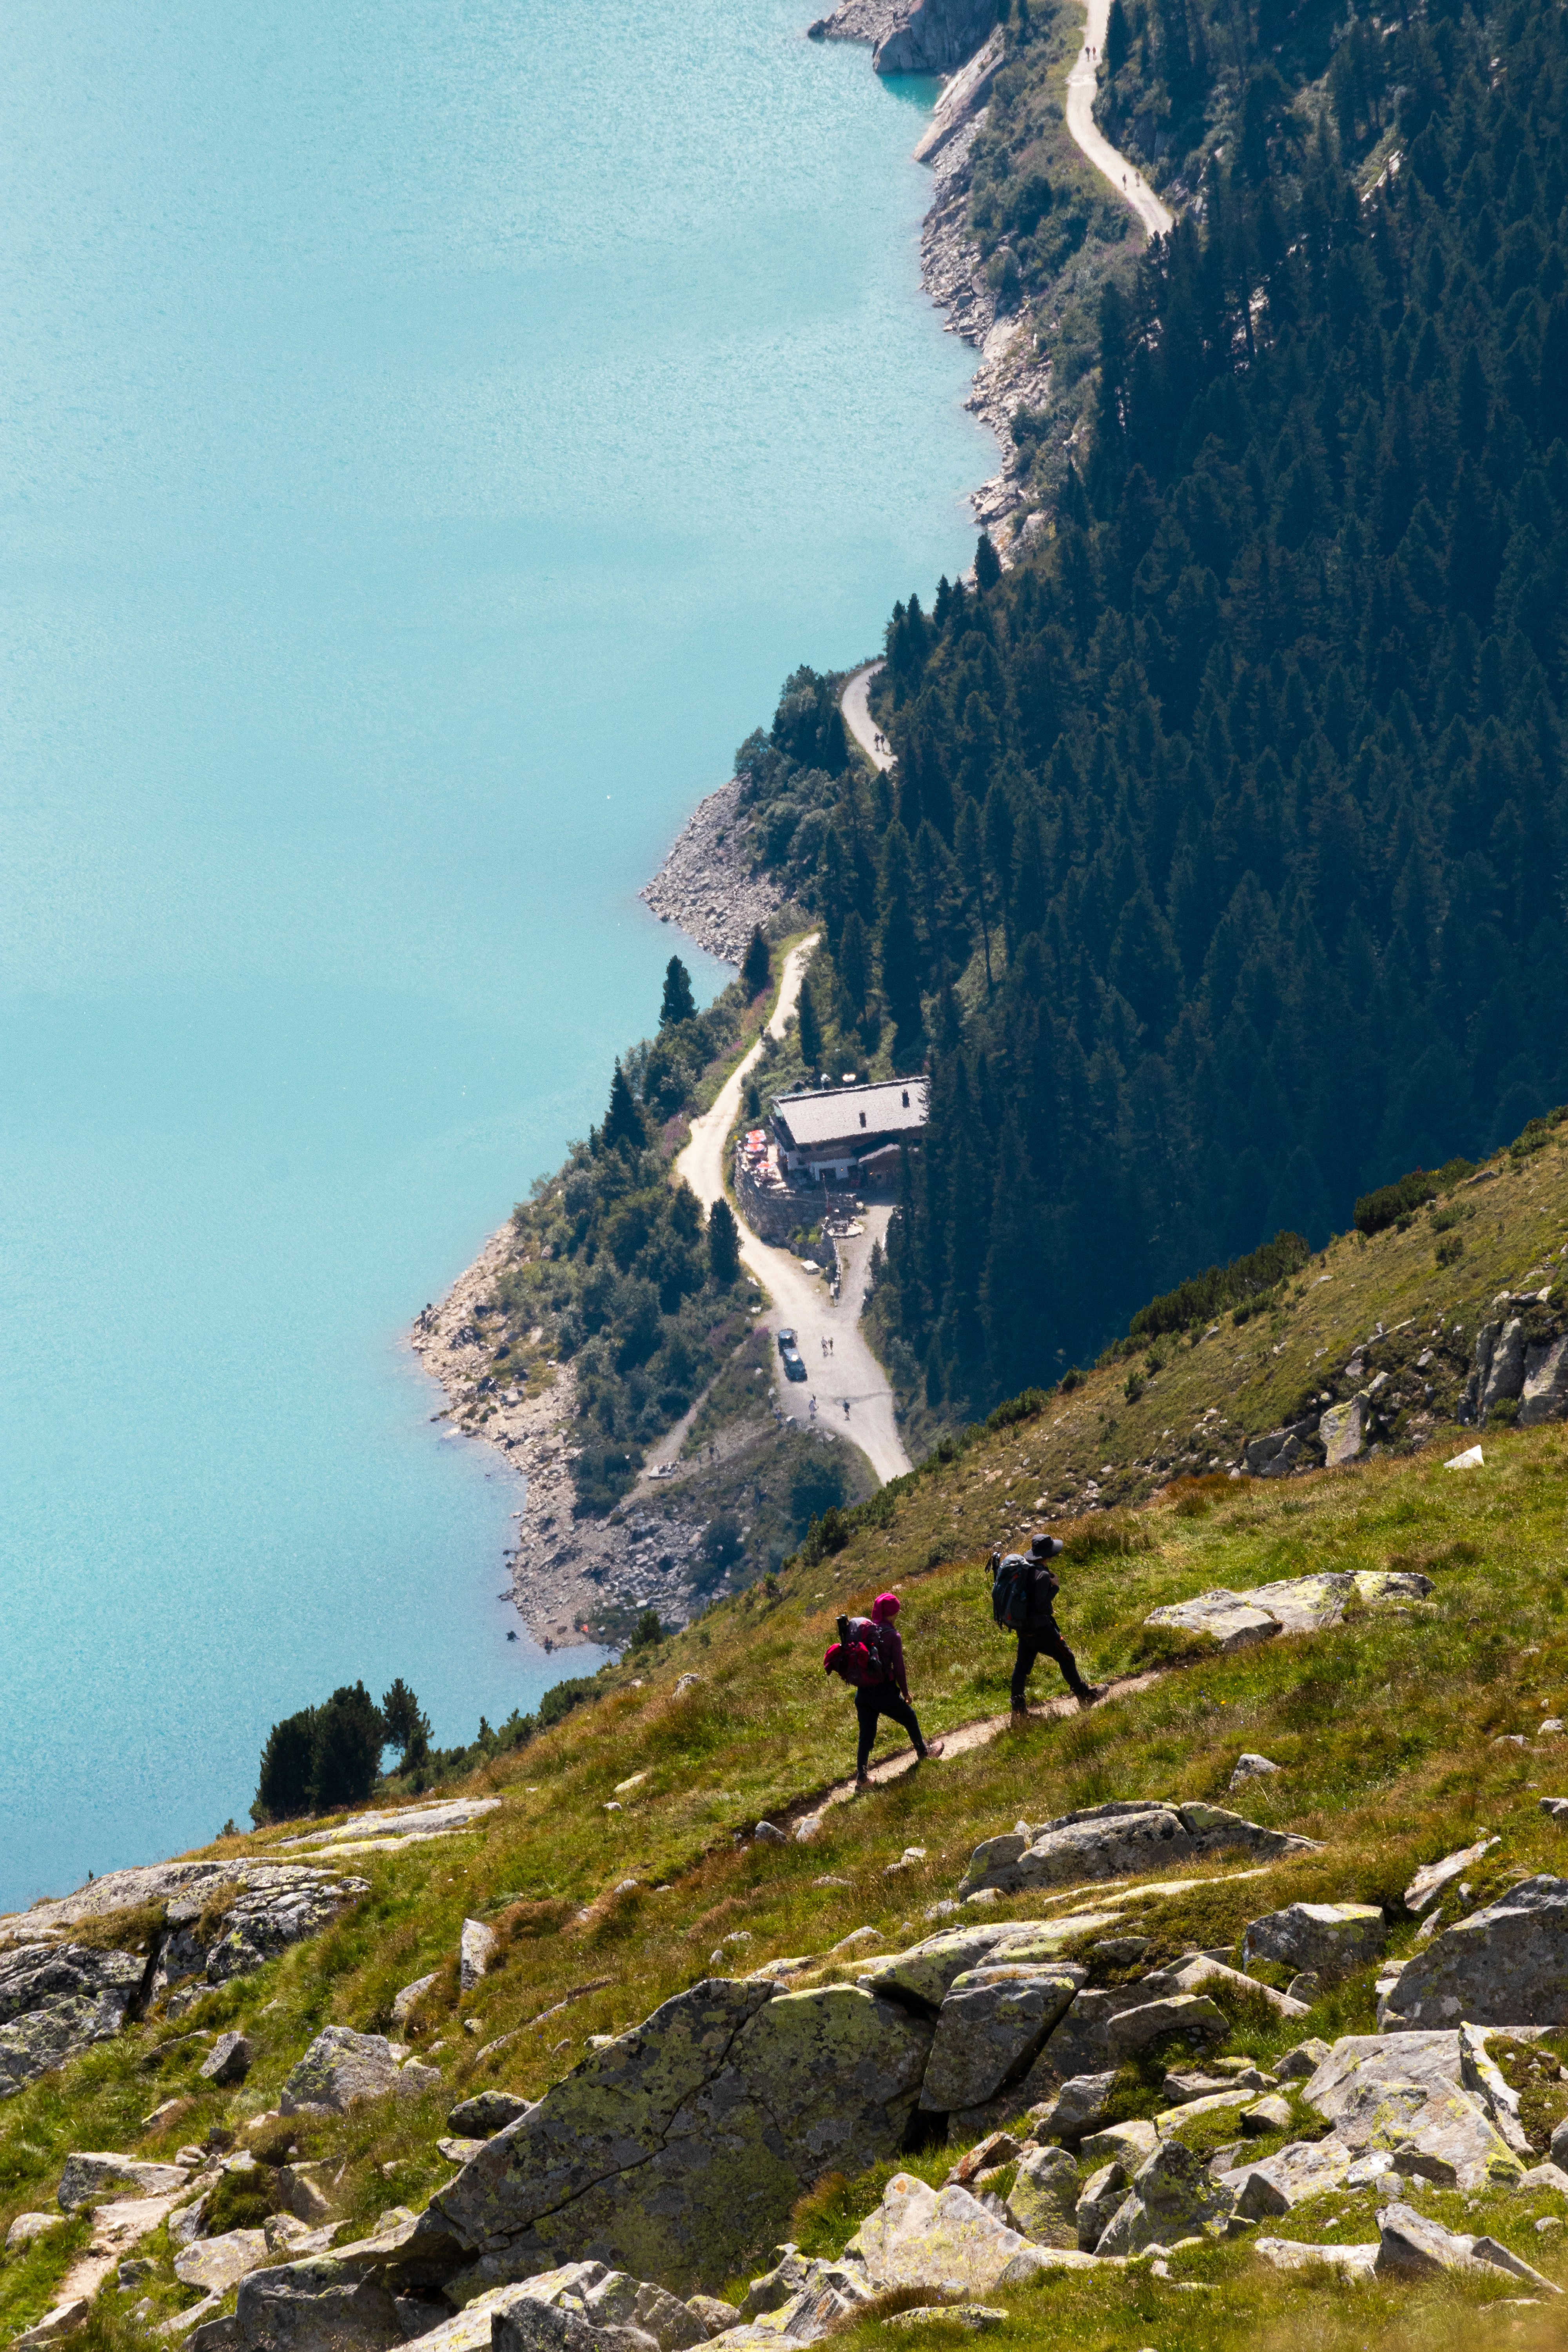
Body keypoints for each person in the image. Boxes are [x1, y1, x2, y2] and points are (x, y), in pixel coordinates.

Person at [825, 1592, 944, 1789]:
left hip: (863, 1693)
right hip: (884, 1692)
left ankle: (862, 1778)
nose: (897, 1614)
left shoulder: (867, 1633)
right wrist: (906, 1693)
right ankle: (923, 1752)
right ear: (891, 1614)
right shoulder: (892, 1636)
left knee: (866, 1735)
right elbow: (899, 1668)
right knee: (909, 1717)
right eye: (896, 1611)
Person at [993, 1532, 1103, 1715]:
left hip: (1024, 1629)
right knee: (1067, 1657)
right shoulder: (1042, 1575)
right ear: (1049, 1554)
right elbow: (1041, 1606)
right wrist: (1056, 1587)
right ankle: (1085, 1696)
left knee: (1021, 1668)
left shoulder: (1026, 1569)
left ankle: (1019, 1711)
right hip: (1041, 1629)